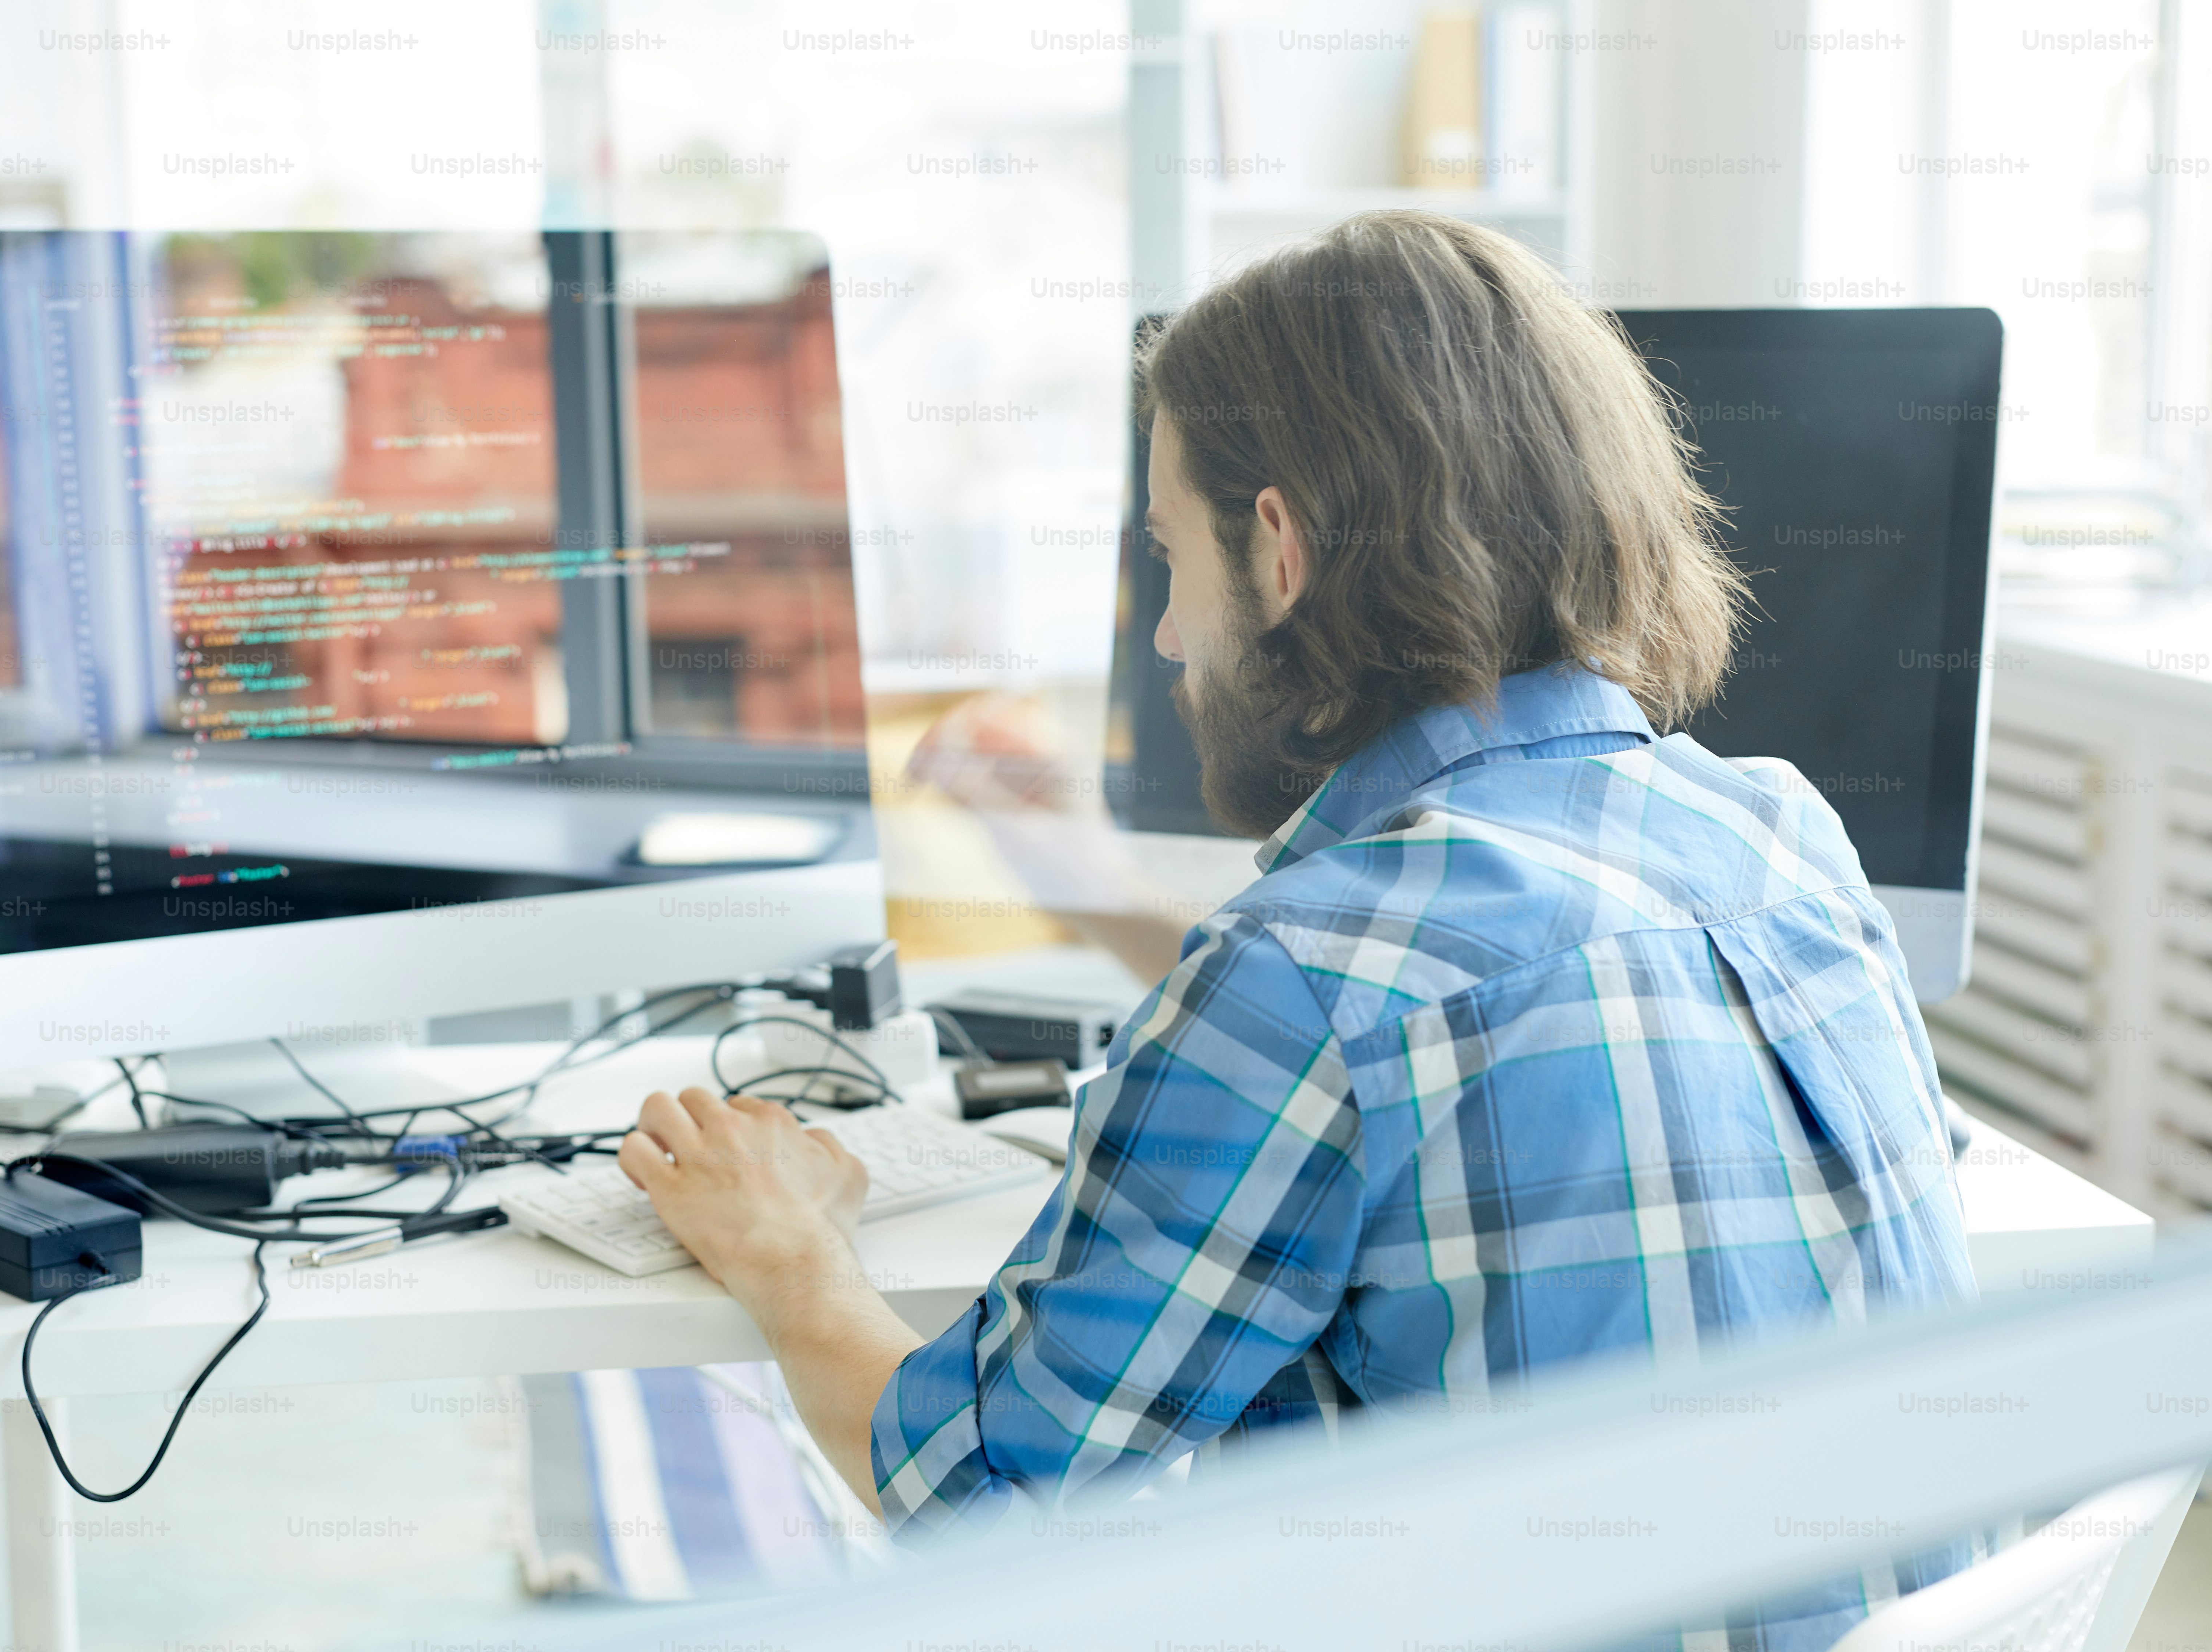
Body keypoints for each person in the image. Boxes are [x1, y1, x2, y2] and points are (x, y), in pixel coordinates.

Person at [617, 211, 1979, 1645]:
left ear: (1277, 550)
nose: (1163, 636)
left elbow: (974, 1495)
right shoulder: (1778, 837)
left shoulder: (1303, 977)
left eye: (1167, 558)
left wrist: (788, 1253)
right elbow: (1442, 1059)